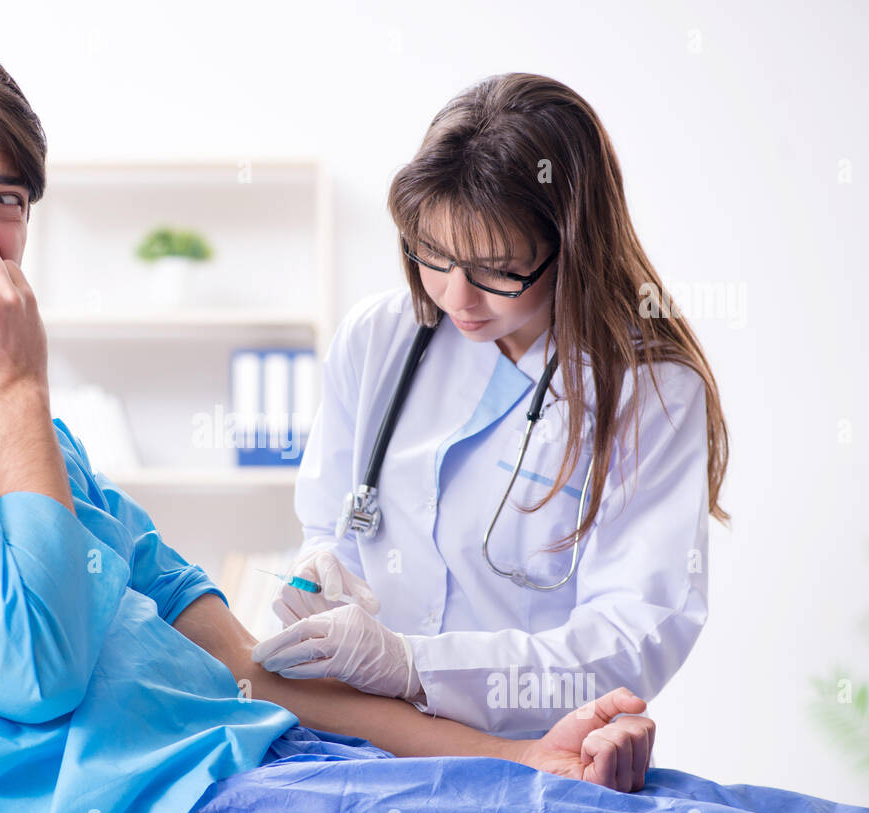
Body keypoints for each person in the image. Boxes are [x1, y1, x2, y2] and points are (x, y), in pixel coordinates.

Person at [0, 44, 869, 813]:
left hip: (280, 765)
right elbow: (28, 668)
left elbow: (247, 670)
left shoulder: (17, 439)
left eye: (5, 201)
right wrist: (17, 376)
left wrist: (527, 756)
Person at [255, 73, 729, 742]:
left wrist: (417, 666)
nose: (457, 297)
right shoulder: (380, 339)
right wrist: (322, 577)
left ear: (573, 243)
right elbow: (333, 526)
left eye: (498, 268)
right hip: (360, 738)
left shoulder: (650, 391)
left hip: (531, 752)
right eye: (434, 256)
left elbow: (634, 632)